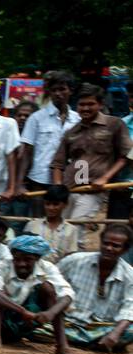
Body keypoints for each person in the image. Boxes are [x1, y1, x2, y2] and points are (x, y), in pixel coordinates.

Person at [50, 84, 133, 251]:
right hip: (69, 189)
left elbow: (126, 156)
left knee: (75, 229)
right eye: (82, 105)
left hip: (92, 190)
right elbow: (57, 163)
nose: (85, 108)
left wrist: (105, 178)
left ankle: (73, 268)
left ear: (100, 104)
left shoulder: (114, 124)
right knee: (60, 229)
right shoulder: (72, 131)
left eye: (90, 104)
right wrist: (57, 188)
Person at [0, 234, 77, 354]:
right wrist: (22, 311)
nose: (21, 264)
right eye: (17, 259)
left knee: (48, 288)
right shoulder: (0, 267)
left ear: (37, 259)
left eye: (28, 259)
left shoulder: (47, 267)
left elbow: (67, 293)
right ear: (12, 256)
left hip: (21, 327)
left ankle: (62, 346)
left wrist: (50, 313)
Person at [54, 224, 133, 351]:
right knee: (37, 325)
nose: (109, 248)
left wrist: (116, 333)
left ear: (125, 249)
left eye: (115, 246)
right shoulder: (75, 260)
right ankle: (95, 344)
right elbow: (52, 279)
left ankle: (84, 341)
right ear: (101, 242)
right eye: (106, 243)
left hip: (103, 326)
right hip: (69, 323)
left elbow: (130, 307)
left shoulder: (130, 275)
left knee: (129, 331)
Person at [17, 72, 79, 215]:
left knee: (65, 221)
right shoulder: (36, 118)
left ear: (70, 90)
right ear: (49, 92)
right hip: (39, 179)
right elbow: (27, 152)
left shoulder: (78, 119)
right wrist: (19, 184)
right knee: (39, 221)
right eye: (54, 90)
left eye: (62, 89)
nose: (58, 93)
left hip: (69, 181)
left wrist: (83, 178)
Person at [25, 185, 80, 264]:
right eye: (47, 204)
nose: (51, 208)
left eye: (55, 204)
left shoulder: (71, 230)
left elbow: (71, 257)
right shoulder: (32, 226)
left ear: (65, 204)